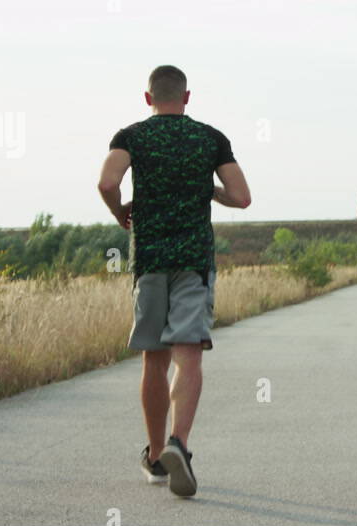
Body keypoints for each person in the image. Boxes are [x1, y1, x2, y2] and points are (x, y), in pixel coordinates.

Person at [97, 65, 251, 498]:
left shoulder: (131, 136)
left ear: (148, 99)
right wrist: (211, 191)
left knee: (154, 358)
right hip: (193, 261)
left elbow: (107, 180)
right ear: (188, 97)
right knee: (189, 353)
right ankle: (179, 443)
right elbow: (241, 196)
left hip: (149, 259)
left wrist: (120, 210)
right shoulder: (210, 138)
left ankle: (154, 457)